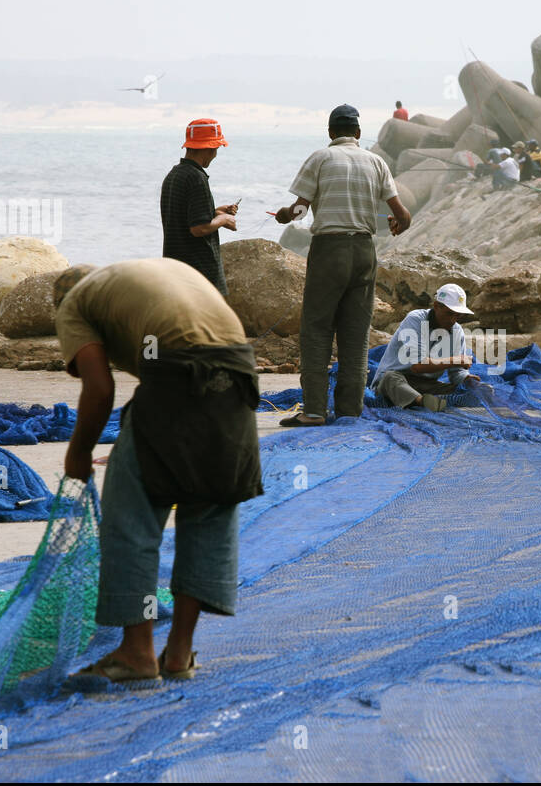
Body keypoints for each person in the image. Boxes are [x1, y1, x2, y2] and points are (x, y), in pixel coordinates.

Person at [54, 258, 263, 682]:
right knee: (208, 506)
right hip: (238, 375)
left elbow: (98, 388)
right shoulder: (142, 276)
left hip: (176, 373)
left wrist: (78, 454)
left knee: (131, 512)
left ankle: (136, 653)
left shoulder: (75, 302)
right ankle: (178, 655)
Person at [274, 104, 411, 427]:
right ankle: (350, 410)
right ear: (359, 134)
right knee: (355, 331)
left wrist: (284, 214)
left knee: (317, 329)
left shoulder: (321, 158)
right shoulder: (376, 162)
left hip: (329, 250)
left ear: (331, 133)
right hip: (364, 251)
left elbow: (299, 212)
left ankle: (314, 411)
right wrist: (396, 223)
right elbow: (402, 216)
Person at [373, 284, 485, 411]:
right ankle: (422, 402)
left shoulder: (456, 331)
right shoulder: (415, 320)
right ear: (436, 306)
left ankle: (428, 401)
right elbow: (418, 366)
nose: (453, 320)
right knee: (390, 378)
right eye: (449, 314)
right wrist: (455, 360)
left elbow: (457, 373)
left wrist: (467, 379)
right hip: (395, 382)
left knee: (463, 391)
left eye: (458, 315)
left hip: (425, 385)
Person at [160, 118, 240, 295]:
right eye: (216, 149)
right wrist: (224, 218)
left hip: (176, 268)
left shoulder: (174, 175)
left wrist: (215, 211)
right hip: (200, 273)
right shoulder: (197, 178)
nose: (215, 155)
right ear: (209, 148)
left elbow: (183, 217)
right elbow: (199, 228)